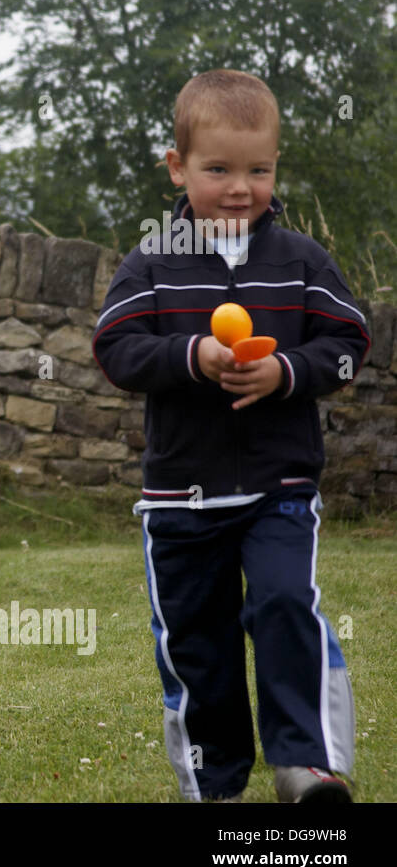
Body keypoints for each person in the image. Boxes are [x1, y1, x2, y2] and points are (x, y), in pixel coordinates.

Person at [93, 69, 368, 802]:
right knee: (198, 645)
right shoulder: (151, 262)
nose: (241, 187)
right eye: (218, 169)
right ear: (178, 167)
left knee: (284, 602)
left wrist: (286, 371)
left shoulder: (303, 261)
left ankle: (306, 765)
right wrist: (193, 357)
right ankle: (214, 785)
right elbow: (115, 348)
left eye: (259, 169)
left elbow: (348, 343)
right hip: (181, 497)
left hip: (279, 485)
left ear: (276, 166)